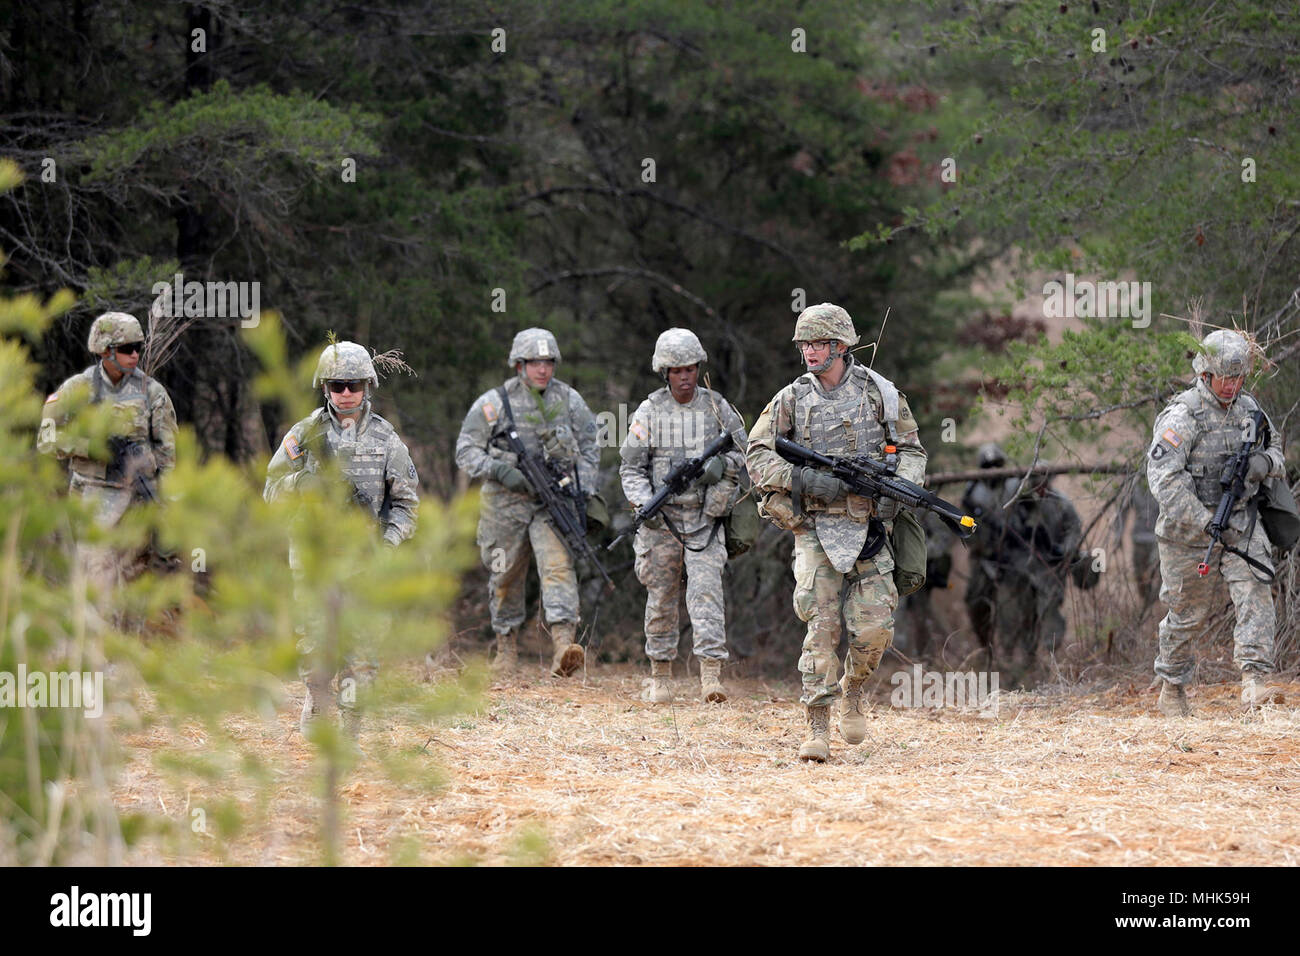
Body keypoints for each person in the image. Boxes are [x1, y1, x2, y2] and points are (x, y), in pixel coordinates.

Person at [747, 303, 927, 762]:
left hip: (870, 526)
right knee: (820, 628)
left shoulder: (880, 394)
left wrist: (898, 490)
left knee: (873, 632)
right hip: (815, 526)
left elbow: (912, 451)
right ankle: (817, 725)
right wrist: (801, 480)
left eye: (819, 343)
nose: (809, 352)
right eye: (805, 344)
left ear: (841, 346)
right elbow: (757, 454)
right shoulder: (790, 399)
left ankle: (853, 690)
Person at [264, 340, 420, 738]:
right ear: (324, 387)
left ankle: (352, 729)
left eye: (353, 384)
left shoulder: (386, 439)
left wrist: (387, 545)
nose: (346, 393)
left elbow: (406, 505)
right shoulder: (304, 434)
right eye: (337, 385)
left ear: (367, 385)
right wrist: (303, 482)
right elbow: (270, 490)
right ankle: (317, 702)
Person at [1147, 329, 1286, 715]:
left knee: (1256, 591)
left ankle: (1254, 683)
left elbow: (1276, 451)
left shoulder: (1250, 409)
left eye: (1238, 378)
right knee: (1186, 614)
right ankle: (1172, 687)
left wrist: (1264, 464)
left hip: (1240, 522)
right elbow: (1164, 479)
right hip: (1189, 532)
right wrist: (1204, 521)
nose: (1232, 385)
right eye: (1225, 377)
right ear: (1205, 374)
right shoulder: (1183, 415)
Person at [455, 328, 600, 678]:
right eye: (535, 362)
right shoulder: (495, 403)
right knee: (504, 575)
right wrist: (499, 470)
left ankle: (564, 647)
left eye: (548, 362)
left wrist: (580, 490)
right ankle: (506, 648)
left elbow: (590, 447)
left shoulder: (568, 401)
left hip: (552, 504)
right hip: (505, 504)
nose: (543, 369)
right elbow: (466, 449)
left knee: (558, 568)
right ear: (519, 365)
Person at [619, 328, 748, 703]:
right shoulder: (650, 411)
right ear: (665, 373)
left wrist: (720, 467)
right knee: (660, 597)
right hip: (662, 523)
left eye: (690, 368)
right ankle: (661, 675)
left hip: (704, 520)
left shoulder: (716, 407)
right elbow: (630, 468)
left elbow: (745, 452)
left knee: (707, 595)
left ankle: (711, 677)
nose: (685, 377)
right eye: (676, 371)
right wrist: (646, 505)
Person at [38, 311, 177, 602]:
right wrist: (92, 447)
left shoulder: (153, 393)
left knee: (133, 583)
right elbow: (46, 441)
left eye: (138, 347)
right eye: (127, 349)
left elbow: (168, 457)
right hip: (92, 496)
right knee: (96, 573)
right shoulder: (77, 389)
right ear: (105, 350)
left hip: (137, 501)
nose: (135, 355)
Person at [993, 466, 1082, 663]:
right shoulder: (1019, 503)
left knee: (1050, 612)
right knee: (1025, 614)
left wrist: (1064, 550)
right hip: (1023, 570)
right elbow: (1004, 530)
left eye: (1043, 479)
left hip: (1050, 569)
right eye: (1034, 479)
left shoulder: (1061, 503)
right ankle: (1029, 660)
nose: (1039, 484)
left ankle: (1052, 658)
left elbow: (1074, 529)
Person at [961, 442, 1011, 655]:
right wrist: (979, 545)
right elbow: (965, 526)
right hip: (983, 556)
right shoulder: (972, 492)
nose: (992, 470)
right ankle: (986, 647)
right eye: (987, 465)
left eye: (996, 465)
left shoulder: (1014, 486)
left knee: (1013, 606)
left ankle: (1015, 653)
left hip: (1013, 555)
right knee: (975, 602)